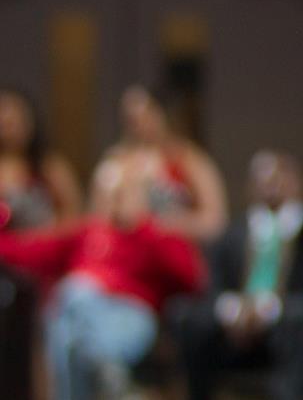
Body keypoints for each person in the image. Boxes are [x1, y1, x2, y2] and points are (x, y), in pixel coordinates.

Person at [0, 155, 205, 400]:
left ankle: (100, 377)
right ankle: (110, 377)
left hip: (129, 313)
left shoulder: (154, 234)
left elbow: (192, 278)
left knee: (71, 316)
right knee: (70, 316)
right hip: (79, 311)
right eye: (105, 194)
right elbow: (31, 252)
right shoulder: (88, 232)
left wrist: (144, 226)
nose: (112, 202)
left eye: (120, 193)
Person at [172, 151, 303, 400]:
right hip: (235, 324)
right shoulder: (233, 234)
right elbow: (213, 285)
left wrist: (268, 310)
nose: (269, 186)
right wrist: (233, 310)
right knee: (187, 316)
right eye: (262, 180)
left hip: (286, 322)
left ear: (295, 182)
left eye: (277, 178)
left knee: (301, 321)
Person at [92, 84, 228, 244]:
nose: (139, 125)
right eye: (131, 120)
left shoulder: (187, 159)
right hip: (127, 252)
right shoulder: (115, 162)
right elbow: (98, 218)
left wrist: (166, 226)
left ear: (161, 114)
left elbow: (214, 220)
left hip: (175, 252)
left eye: (144, 116)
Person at [0, 86, 82, 231]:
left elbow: (72, 212)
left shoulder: (48, 165)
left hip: (43, 244)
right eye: (5, 124)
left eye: (15, 123)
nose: (9, 131)